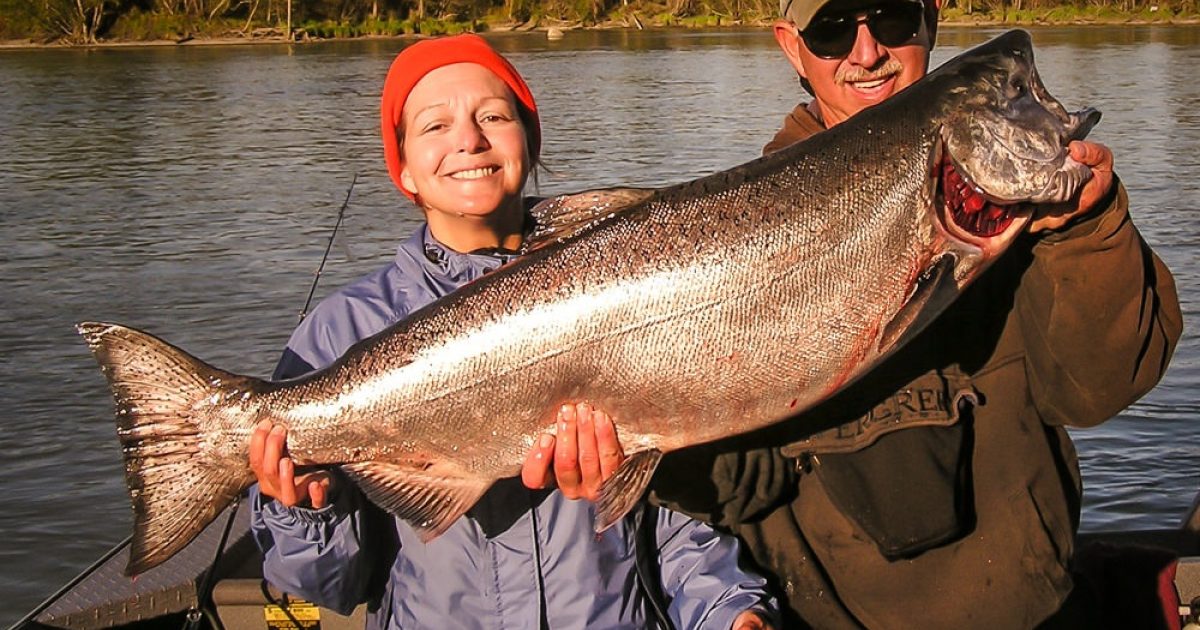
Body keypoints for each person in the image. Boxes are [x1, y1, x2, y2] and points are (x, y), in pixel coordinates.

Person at [522, 2, 1184, 627]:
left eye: (893, 17)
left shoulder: (1025, 221)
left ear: (931, 20)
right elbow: (745, 486)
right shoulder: (733, 235)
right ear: (792, 48)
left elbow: (1101, 388)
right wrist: (650, 453)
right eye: (833, 29)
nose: (867, 52)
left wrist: (1089, 229)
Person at [246, 33, 779, 630]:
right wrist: (308, 512)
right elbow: (325, 587)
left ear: (529, 141)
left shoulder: (641, 287)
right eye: (434, 126)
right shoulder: (339, 333)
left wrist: (732, 612)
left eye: (493, 116)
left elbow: (677, 513)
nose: (468, 140)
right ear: (404, 171)